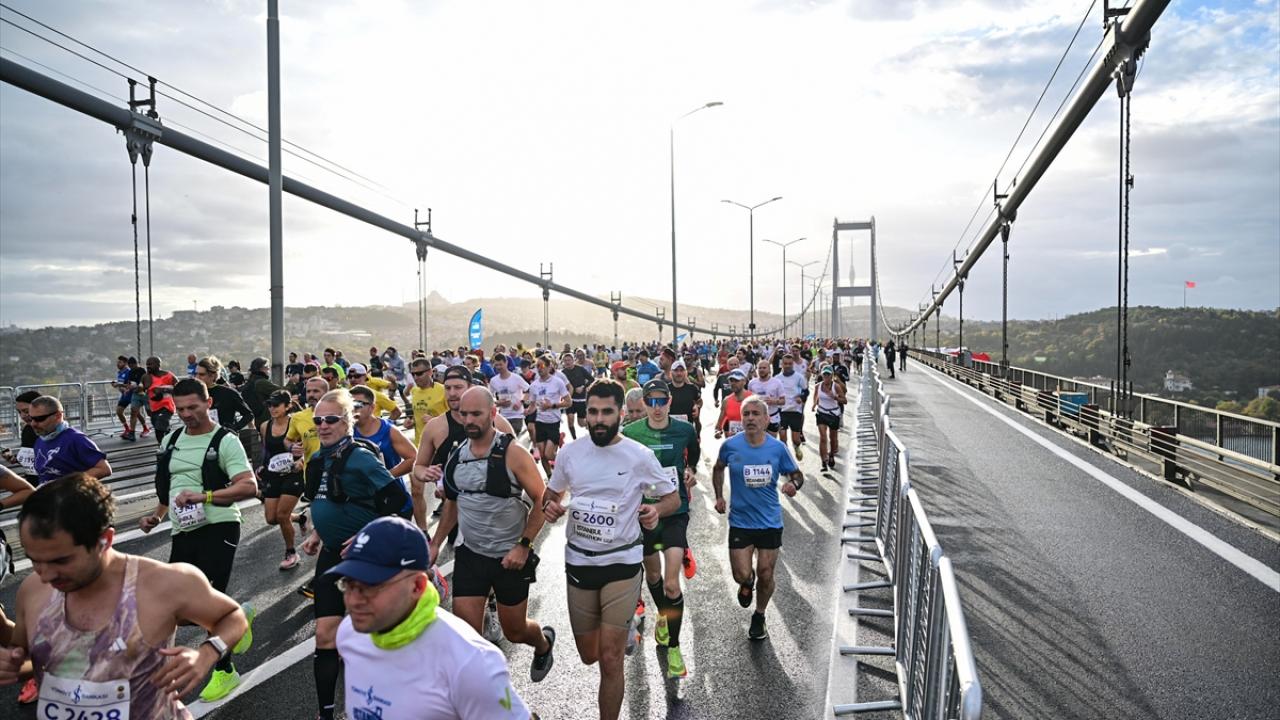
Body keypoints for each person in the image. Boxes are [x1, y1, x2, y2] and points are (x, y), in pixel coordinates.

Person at [1, 474, 249, 718]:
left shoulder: (164, 583)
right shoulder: (32, 590)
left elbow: (233, 616)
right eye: (35, 561)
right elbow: (27, 660)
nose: (45, 575)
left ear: (105, 540)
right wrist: (10, 665)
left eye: (61, 561)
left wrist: (205, 654)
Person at [541, 379, 679, 720]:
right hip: (579, 562)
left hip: (623, 560)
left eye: (606, 412)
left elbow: (672, 498)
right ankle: (625, 628)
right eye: (592, 413)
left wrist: (654, 511)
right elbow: (551, 495)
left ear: (620, 414)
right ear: (584, 414)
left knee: (610, 658)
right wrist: (551, 507)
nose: (598, 420)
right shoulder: (570, 453)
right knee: (590, 654)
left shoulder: (638, 455)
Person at [330, 517, 535, 719]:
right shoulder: (349, 633)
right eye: (349, 583)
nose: (354, 600)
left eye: (371, 587)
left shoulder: (471, 663)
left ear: (417, 586)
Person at [138, 378, 259, 701]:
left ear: (209, 404)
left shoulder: (225, 441)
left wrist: (204, 496)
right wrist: (157, 515)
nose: (187, 414)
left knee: (209, 602)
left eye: (194, 407)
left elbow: (249, 487)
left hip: (219, 525)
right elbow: (172, 485)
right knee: (179, 607)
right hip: (183, 529)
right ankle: (238, 616)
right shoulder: (172, 439)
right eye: (181, 409)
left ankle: (225, 671)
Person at [298, 388, 413, 720]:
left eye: (331, 419)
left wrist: (367, 535)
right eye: (318, 419)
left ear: (347, 421)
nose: (322, 425)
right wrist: (319, 532)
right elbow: (329, 500)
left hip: (366, 558)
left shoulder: (361, 456)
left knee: (375, 636)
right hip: (332, 553)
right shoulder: (319, 458)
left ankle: (391, 704)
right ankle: (326, 713)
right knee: (324, 635)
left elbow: (395, 501)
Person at [431, 387, 556, 681]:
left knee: (515, 631)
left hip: (509, 557)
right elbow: (452, 504)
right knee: (468, 639)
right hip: (471, 553)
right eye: (465, 414)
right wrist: (435, 543)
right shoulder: (456, 456)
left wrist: (524, 545)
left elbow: (542, 500)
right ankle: (488, 699)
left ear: (493, 414)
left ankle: (543, 642)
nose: (470, 420)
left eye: (477, 413)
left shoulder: (513, 453)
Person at [621, 379, 700, 677]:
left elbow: (692, 455)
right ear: (644, 403)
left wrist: (690, 471)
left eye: (661, 401)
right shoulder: (631, 433)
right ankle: (664, 617)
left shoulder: (684, 430)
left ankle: (676, 648)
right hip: (644, 516)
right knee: (652, 575)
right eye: (650, 402)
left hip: (675, 511)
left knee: (671, 583)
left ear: (669, 402)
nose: (656, 408)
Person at [712, 396, 803, 641]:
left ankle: (760, 615)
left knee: (765, 572)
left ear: (766, 419)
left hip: (769, 521)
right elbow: (718, 468)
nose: (750, 418)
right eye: (746, 414)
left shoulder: (777, 448)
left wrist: (793, 484)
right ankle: (746, 583)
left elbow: (797, 475)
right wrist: (719, 496)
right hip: (740, 520)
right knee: (741, 574)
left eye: (755, 414)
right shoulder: (731, 446)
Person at [260, 390, 306, 570]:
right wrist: (261, 466)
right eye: (270, 405)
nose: (272, 408)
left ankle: (291, 552)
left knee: (281, 515)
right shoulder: (265, 426)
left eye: (276, 405)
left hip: (294, 473)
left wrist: (301, 462)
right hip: (273, 472)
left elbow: (307, 446)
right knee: (271, 518)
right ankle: (299, 518)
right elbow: (265, 449)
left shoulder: (296, 422)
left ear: (287, 406)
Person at [29, 396, 111, 486]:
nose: (33, 424)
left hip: (74, 497)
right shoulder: (40, 440)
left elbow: (104, 469)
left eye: (39, 419)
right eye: (31, 418)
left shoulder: (76, 439)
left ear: (58, 416)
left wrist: (65, 485)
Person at [527, 356, 571, 478]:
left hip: (553, 422)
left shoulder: (557, 382)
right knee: (542, 454)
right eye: (537, 366)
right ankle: (550, 477)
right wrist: (525, 411)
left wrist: (552, 405)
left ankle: (565, 462)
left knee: (549, 454)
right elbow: (532, 406)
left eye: (541, 366)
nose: (539, 369)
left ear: (549, 366)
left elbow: (568, 402)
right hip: (540, 422)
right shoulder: (534, 385)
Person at [194, 356, 255, 433]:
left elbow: (249, 415)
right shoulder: (193, 394)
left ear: (212, 375)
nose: (197, 377)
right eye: (196, 374)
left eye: (201, 374)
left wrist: (234, 428)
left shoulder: (228, 393)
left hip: (225, 439)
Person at [1, 390, 42, 486]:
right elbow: (29, 459)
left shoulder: (54, 432)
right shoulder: (27, 430)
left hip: (51, 485)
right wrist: (12, 458)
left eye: (26, 411)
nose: (23, 416)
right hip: (33, 483)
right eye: (19, 412)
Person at [406, 357, 447, 448]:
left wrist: (436, 420)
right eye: (413, 374)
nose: (416, 377)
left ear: (430, 372)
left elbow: (455, 418)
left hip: (439, 444)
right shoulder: (414, 391)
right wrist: (411, 422)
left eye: (419, 374)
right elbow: (417, 413)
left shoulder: (443, 390)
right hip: (420, 445)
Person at [813, 366, 847, 472]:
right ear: (822, 375)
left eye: (828, 375)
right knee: (823, 437)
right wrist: (814, 405)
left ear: (831, 376)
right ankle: (823, 461)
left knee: (833, 439)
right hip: (822, 413)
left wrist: (835, 397)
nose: (826, 377)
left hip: (833, 414)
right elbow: (816, 397)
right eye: (824, 374)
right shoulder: (818, 386)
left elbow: (844, 400)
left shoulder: (836, 386)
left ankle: (831, 454)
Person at [776, 354, 809, 460]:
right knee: (782, 437)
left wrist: (802, 398)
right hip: (782, 411)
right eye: (785, 364)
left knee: (795, 439)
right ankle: (786, 458)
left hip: (795, 410)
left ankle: (796, 447)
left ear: (793, 364)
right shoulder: (777, 378)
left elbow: (806, 391)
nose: (787, 366)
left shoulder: (799, 377)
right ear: (782, 364)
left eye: (790, 364)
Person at [489, 352, 531, 436]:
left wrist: (521, 402)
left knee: (512, 438)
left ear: (506, 363)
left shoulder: (516, 378)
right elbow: (489, 397)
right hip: (503, 416)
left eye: (500, 364)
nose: (498, 367)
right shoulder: (494, 381)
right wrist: (498, 403)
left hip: (517, 415)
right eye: (496, 365)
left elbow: (529, 390)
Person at [142, 356, 179, 441]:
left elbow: (179, 387)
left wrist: (163, 389)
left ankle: (162, 446)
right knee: (158, 426)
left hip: (167, 407)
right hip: (154, 408)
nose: (148, 366)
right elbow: (142, 390)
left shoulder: (168, 375)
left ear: (158, 364)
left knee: (159, 426)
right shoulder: (147, 377)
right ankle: (170, 439)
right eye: (147, 364)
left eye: (150, 364)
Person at [714, 370, 752, 439]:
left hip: (751, 440)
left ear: (744, 382)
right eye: (731, 381)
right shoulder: (726, 400)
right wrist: (717, 432)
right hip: (734, 441)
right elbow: (719, 425)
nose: (733, 383)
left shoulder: (753, 398)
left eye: (737, 381)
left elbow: (765, 420)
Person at [111, 355, 133, 438]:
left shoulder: (129, 372)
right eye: (117, 362)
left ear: (125, 363)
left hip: (130, 394)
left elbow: (130, 384)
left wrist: (119, 385)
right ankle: (127, 429)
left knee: (136, 413)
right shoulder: (119, 372)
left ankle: (145, 428)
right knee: (119, 411)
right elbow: (121, 385)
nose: (118, 364)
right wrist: (116, 385)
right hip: (124, 395)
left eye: (120, 362)